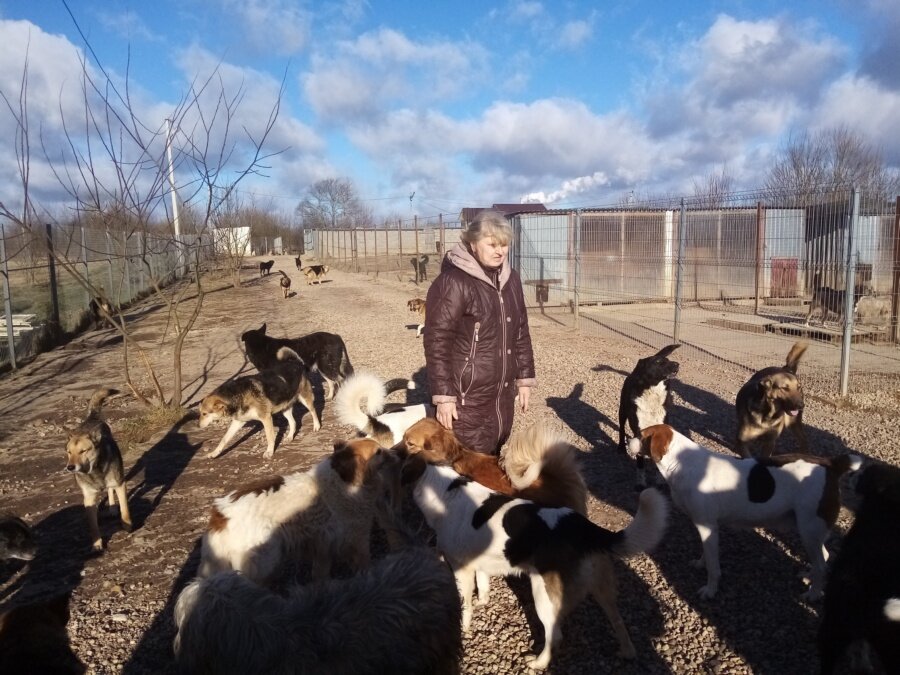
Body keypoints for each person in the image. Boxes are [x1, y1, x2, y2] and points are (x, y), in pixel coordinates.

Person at [423, 209, 536, 455]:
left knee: (493, 452)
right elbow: (437, 340)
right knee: (466, 463)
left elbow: (520, 331)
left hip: (500, 395)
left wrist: (524, 379)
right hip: (466, 398)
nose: (500, 251)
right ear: (473, 243)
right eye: (492, 244)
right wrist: (443, 397)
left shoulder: (511, 279)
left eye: (504, 245)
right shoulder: (453, 282)